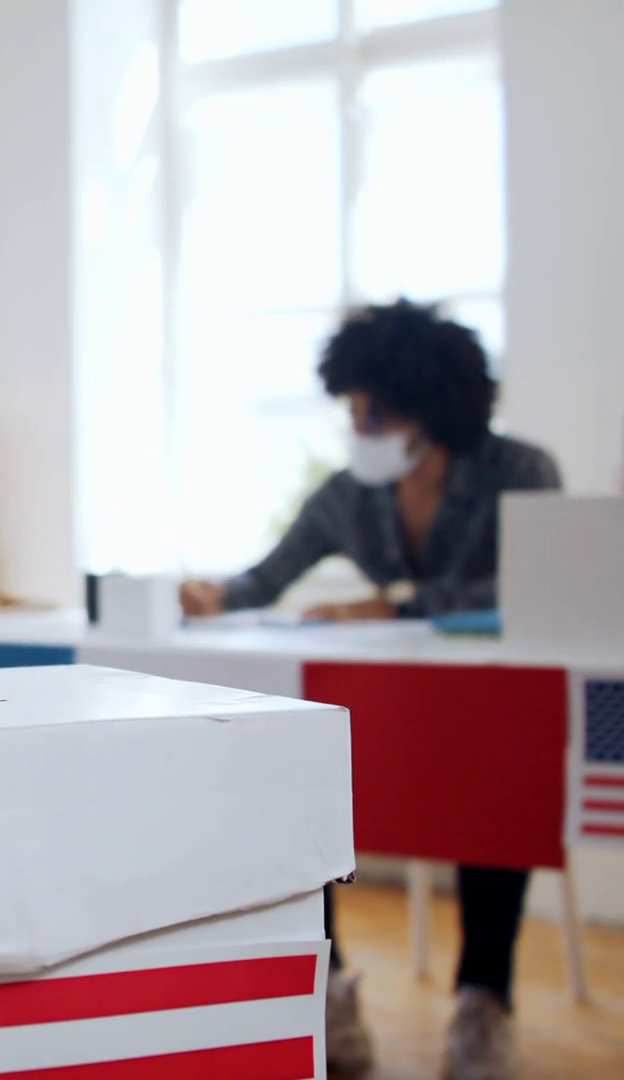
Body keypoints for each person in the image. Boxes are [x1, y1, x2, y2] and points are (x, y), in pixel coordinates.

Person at [181, 300, 561, 1080]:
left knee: (497, 795)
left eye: (376, 411)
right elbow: (266, 577)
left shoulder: (521, 472)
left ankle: (483, 1003)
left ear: (433, 407)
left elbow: (540, 587)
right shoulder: (348, 496)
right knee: (302, 784)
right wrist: (216, 596)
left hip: (490, 711)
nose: (361, 426)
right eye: (354, 410)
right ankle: (328, 991)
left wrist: (394, 603)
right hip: (390, 709)